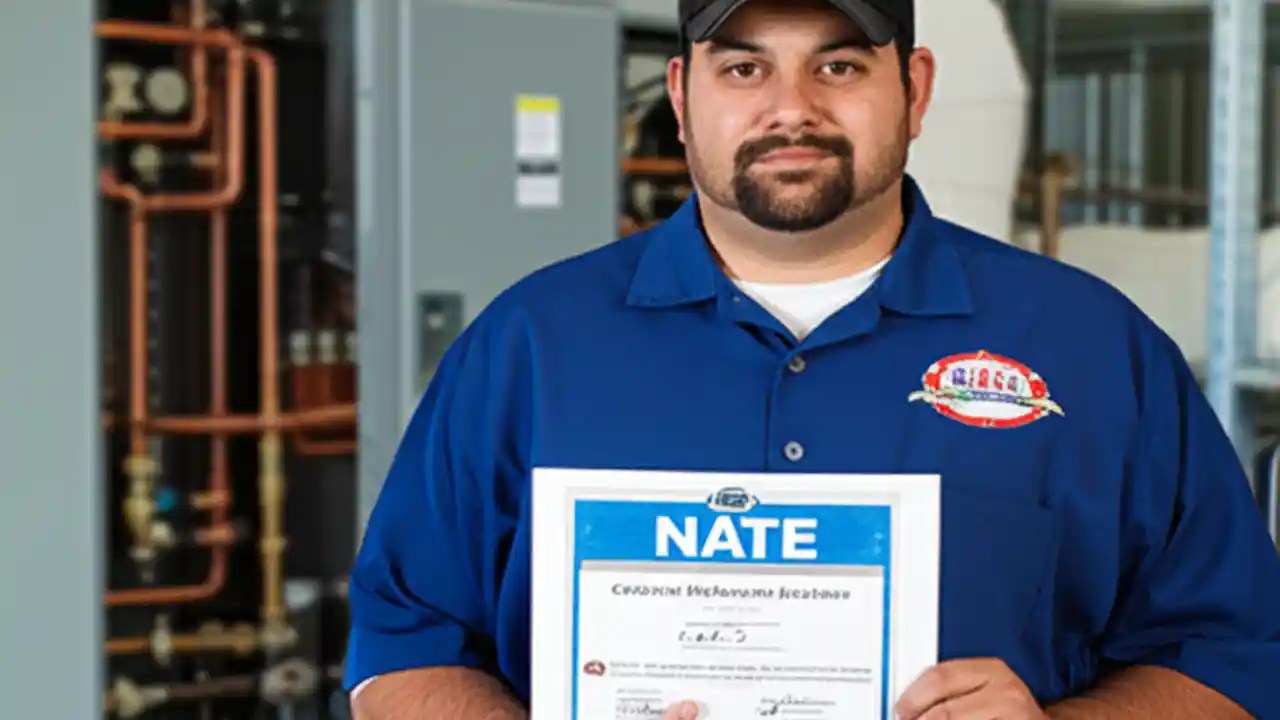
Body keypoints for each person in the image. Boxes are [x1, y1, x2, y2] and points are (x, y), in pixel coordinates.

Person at [342, 0, 1280, 717]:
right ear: (681, 96)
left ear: (914, 89)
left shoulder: (1090, 349)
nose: (791, 108)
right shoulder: (530, 347)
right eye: (744, 67)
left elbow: (1230, 658)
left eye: (837, 64)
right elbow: (400, 649)